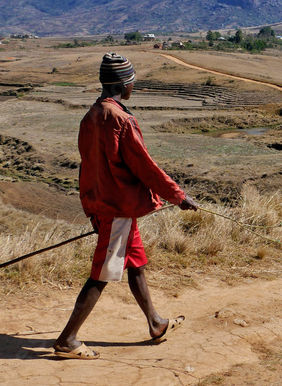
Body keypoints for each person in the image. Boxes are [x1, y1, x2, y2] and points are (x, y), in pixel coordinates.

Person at [53, 53, 198, 360]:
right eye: (132, 81)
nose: (134, 86)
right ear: (122, 85)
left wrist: (90, 206)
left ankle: (156, 323)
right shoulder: (122, 120)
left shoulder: (92, 115)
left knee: (135, 264)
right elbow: (145, 167)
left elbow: (86, 165)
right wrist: (177, 196)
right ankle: (67, 340)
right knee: (102, 273)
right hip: (117, 207)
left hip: (104, 202)